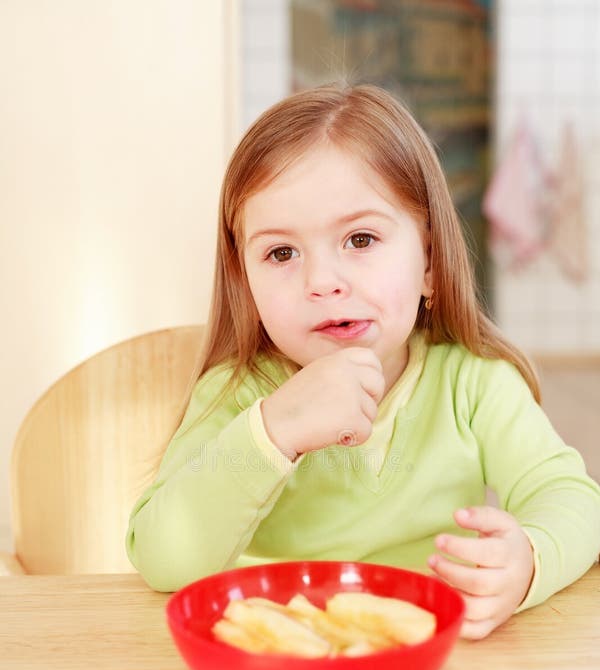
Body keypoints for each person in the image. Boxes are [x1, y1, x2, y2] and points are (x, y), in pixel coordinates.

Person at [126, 83, 600, 640]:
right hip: (279, 662)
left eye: (360, 238)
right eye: (282, 252)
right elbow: (162, 558)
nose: (323, 282)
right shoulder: (238, 394)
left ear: (428, 261)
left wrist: (529, 562)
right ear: (245, 280)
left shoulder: (474, 385)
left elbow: (573, 499)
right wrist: (272, 431)